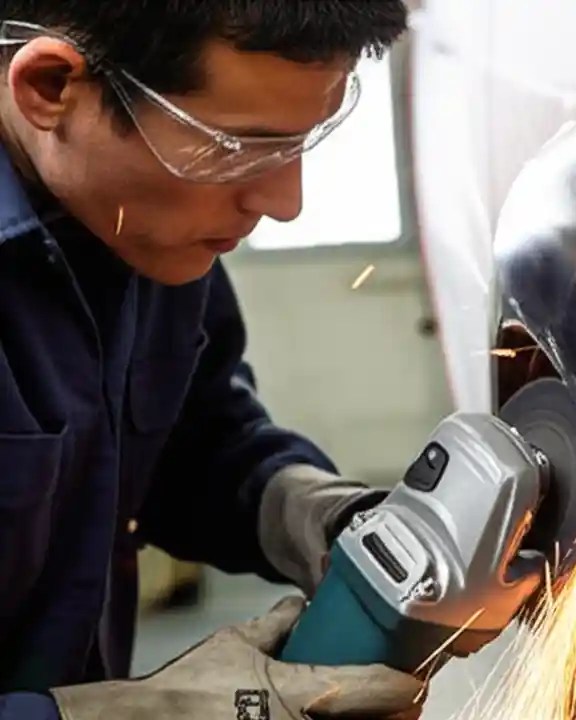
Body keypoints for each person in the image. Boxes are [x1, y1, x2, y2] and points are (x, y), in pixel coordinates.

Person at [0, 2, 433, 718]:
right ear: (50, 87)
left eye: (302, 142)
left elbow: (186, 442)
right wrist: (144, 712)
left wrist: (320, 517)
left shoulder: (139, 227)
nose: (284, 202)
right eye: (237, 149)